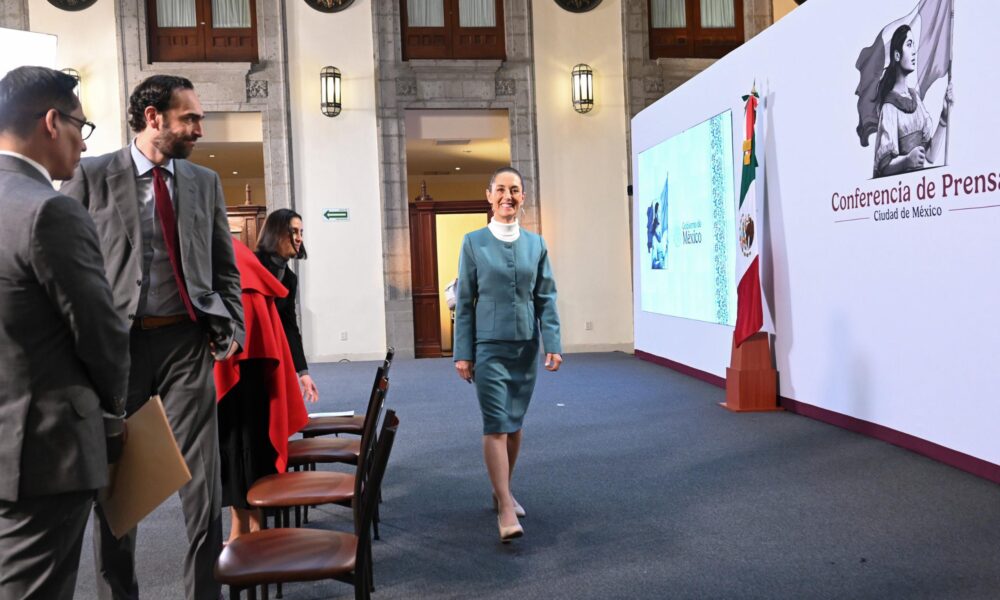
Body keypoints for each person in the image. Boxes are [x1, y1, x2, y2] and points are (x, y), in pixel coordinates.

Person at [61, 74, 244, 600]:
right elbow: (66, 263)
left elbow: (224, 265)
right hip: (115, 349)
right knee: (119, 488)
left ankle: (202, 593)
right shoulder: (91, 176)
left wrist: (232, 322)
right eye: (191, 118)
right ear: (152, 117)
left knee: (203, 481)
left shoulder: (204, 182)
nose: (200, 129)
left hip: (186, 341)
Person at [0, 66, 129, 600]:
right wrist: (116, 409)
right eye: (81, 126)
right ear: (52, 122)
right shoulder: (50, 210)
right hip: (44, 450)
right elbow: (100, 332)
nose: (84, 142)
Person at [453, 166, 562, 543]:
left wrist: (553, 343)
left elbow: (546, 297)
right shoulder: (473, 243)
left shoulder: (537, 244)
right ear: (489, 196)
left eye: (514, 190)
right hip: (488, 349)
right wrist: (463, 353)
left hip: (525, 348)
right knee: (496, 423)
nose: (507, 196)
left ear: (523, 196)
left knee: (514, 424)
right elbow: (465, 301)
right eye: (500, 189)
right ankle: (504, 508)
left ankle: (502, 490)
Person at [214, 239, 310, 544]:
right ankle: (247, 526)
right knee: (244, 446)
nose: (298, 238)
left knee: (239, 446)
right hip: (253, 372)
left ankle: (247, 528)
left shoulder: (227, 257)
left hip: (243, 372)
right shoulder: (243, 260)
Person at [254, 208, 319, 404]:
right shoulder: (253, 265)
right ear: (277, 232)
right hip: (246, 354)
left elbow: (289, 326)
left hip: (270, 356)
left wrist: (303, 372)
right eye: (294, 231)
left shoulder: (290, 278)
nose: (299, 238)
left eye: (301, 232)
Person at [873, 24, 954, 178]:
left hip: (921, 186)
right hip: (900, 188)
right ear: (897, 55)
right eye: (909, 45)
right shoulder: (889, 107)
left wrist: (944, 117)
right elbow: (883, 168)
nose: (914, 51)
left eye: (914, 45)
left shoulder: (915, 98)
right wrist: (907, 161)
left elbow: (930, 156)